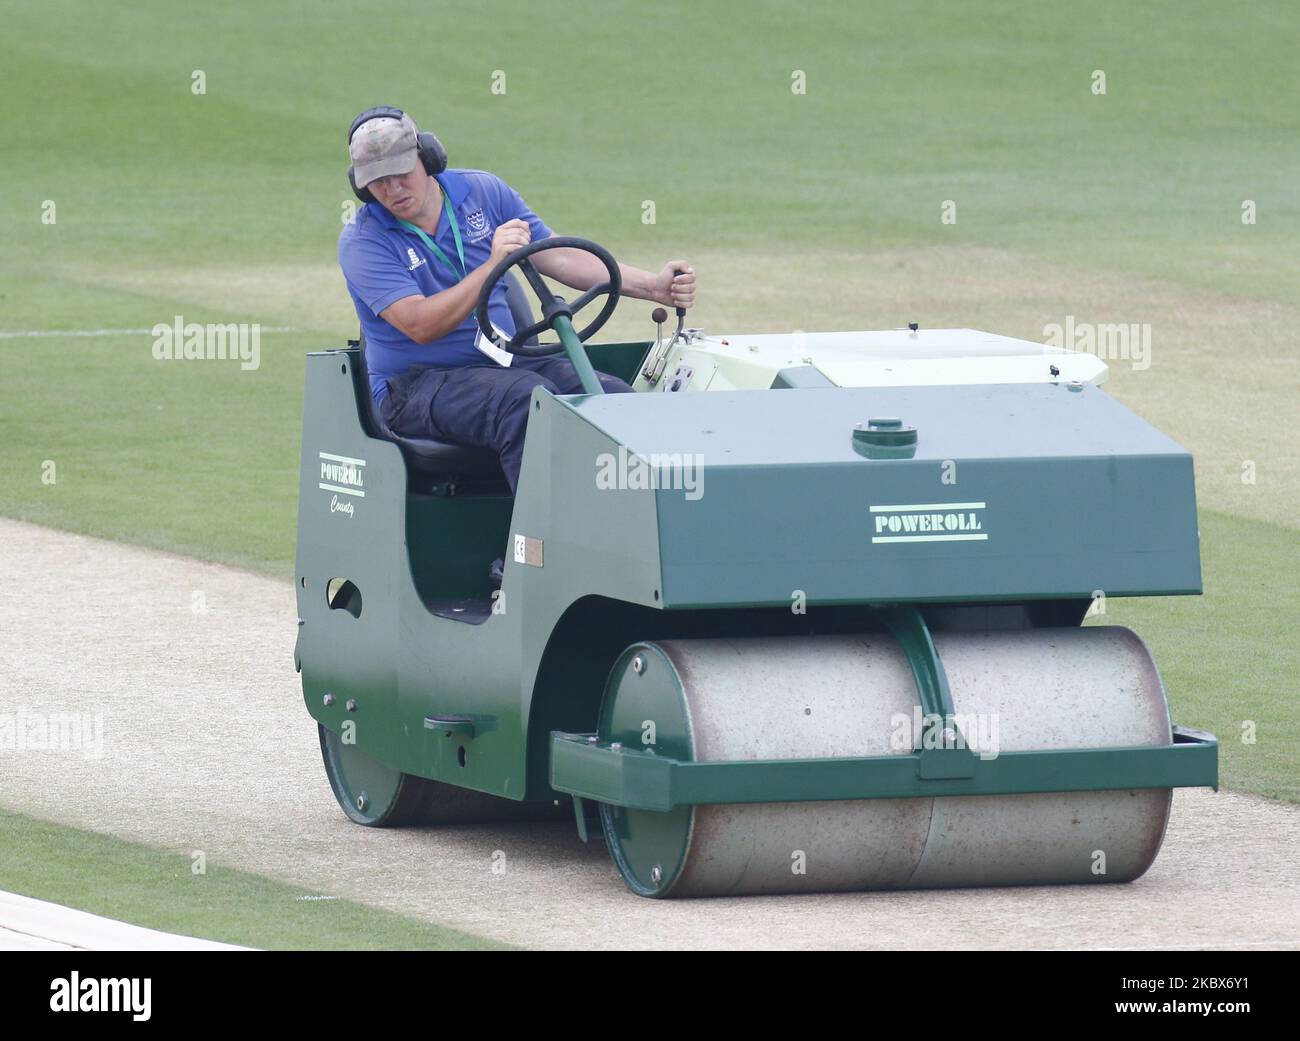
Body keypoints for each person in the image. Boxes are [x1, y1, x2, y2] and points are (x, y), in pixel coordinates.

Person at [337, 106, 696, 496]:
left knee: (611, 401)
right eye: (378, 183)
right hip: (413, 386)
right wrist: (492, 265)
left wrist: (652, 287)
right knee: (525, 402)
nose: (392, 191)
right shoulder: (363, 240)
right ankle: (539, 550)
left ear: (427, 158)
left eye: (401, 174)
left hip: (503, 362)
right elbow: (420, 324)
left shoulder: (483, 192)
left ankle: (635, 533)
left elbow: (558, 256)